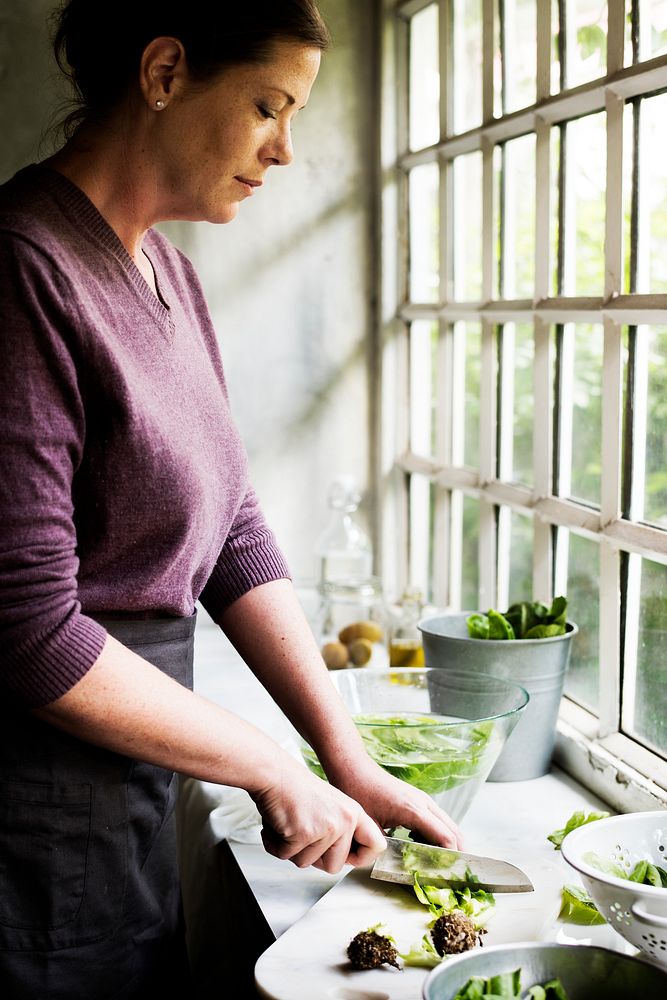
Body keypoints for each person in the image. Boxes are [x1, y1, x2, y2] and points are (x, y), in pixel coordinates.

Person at [0, 1, 462, 995]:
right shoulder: (22, 271)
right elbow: (27, 630)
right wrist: (265, 763)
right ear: (164, 71)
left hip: (125, 795)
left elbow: (232, 528)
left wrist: (340, 751)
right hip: (31, 819)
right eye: (266, 106)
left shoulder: (164, 270)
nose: (285, 149)